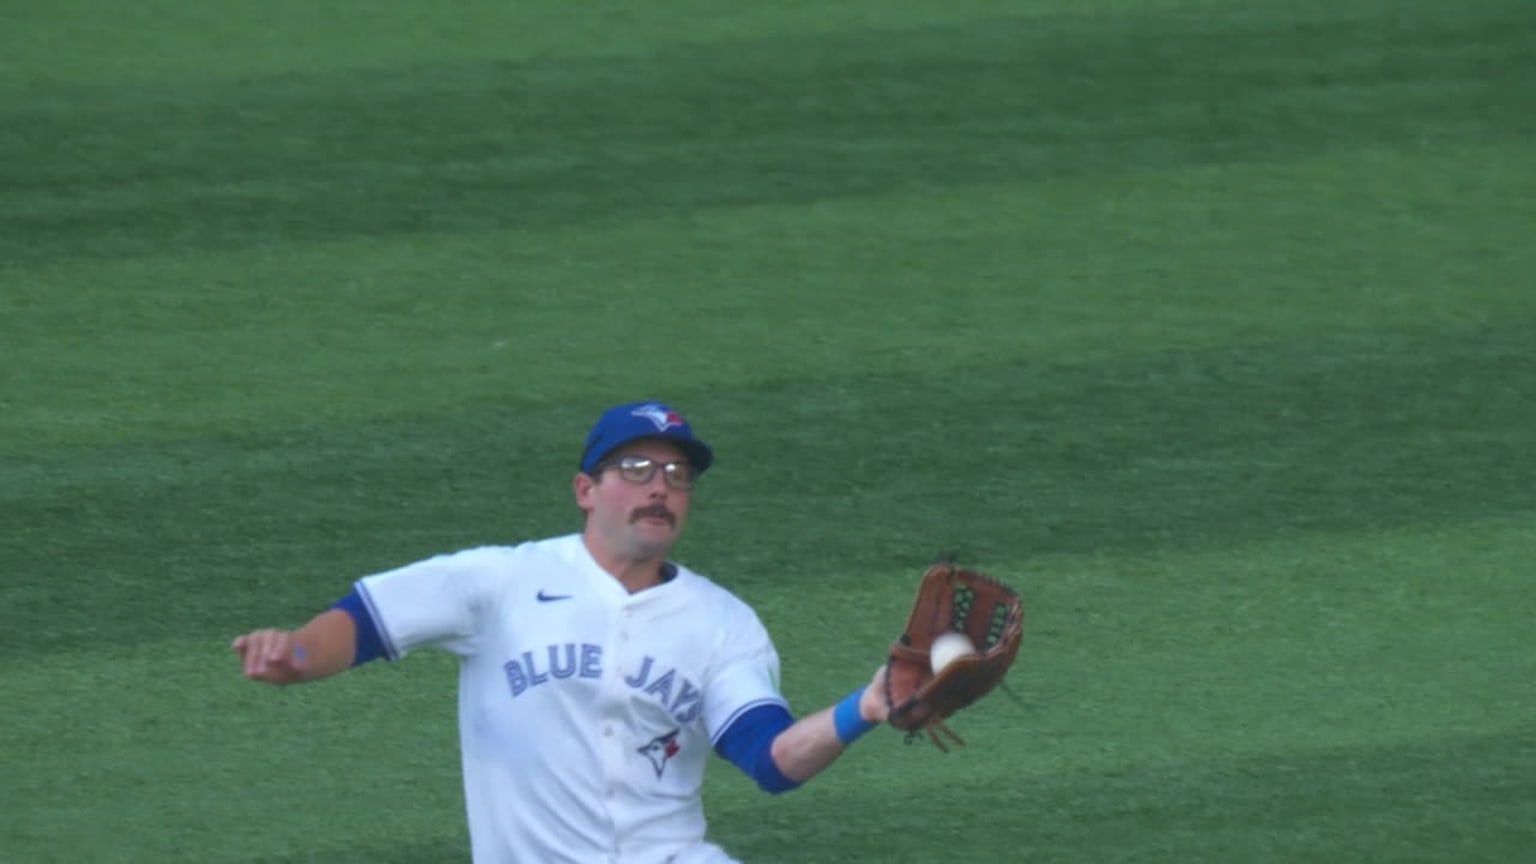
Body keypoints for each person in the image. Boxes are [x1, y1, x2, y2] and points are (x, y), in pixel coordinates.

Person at [232, 400, 890, 864]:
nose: (659, 488)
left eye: (676, 475)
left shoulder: (722, 623)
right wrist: (294, 653)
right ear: (585, 489)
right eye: (636, 470)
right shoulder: (500, 581)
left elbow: (770, 759)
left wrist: (866, 706)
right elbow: (364, 620)